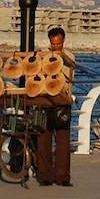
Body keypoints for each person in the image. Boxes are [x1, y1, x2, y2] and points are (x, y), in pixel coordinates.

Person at [29, 26, 76, 187]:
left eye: (58, 43)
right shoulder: (43, 53)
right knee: (44, 138)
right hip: (46, 101)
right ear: (50, 41)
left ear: (63, 41)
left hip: (62, 101)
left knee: (63, 140)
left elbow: (69, 72)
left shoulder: (69, 56)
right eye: (53, 44)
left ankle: (63, 176)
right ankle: (45, 175)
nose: (56, 46)